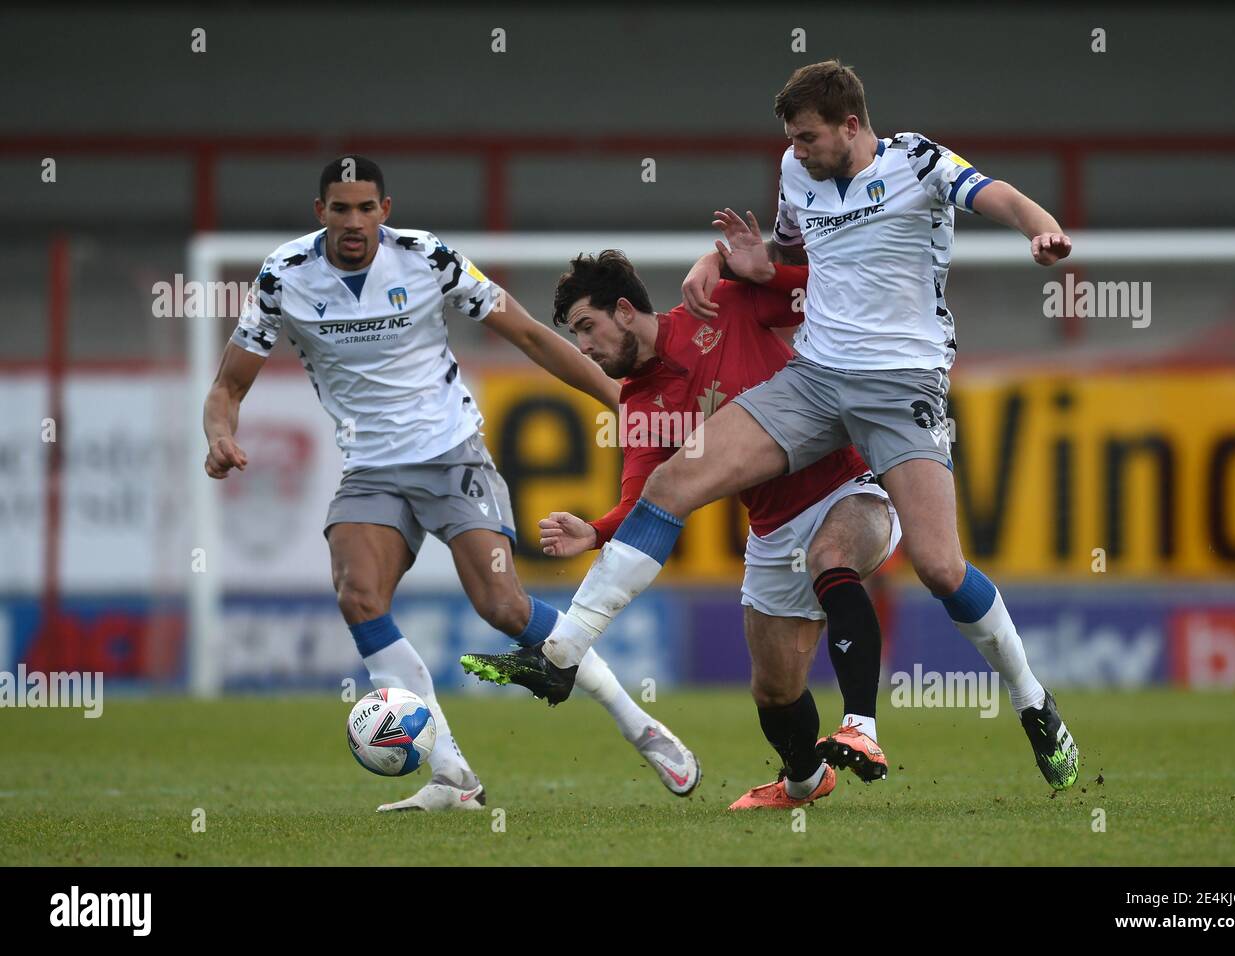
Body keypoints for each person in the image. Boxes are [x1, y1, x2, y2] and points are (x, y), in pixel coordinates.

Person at [457, 59, 1080, 793]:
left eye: (810, 136)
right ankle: (561, 656)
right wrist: (721, 259)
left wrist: (1039, 227)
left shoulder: (916, 159)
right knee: (674, 478)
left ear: (851, 125)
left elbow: (994, 193)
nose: (799, 150)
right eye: (793, 138)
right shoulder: (797, 169)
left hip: (902, 384)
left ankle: (1033, 702)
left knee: (942, 568)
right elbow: (781, 254)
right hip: (815, 379)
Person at [202, 156, 700, 812]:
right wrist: (219, 433)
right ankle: (453, 776)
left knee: (502, 606)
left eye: (365, 208)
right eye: (340, 209)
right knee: (358, 595)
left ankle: (642, 727)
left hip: (452, 456)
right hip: (371, 470)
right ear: (319, 211)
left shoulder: (427, 258)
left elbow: (527, 333)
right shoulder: (283, 276)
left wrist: (619, 399)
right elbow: (229, 384)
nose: (353, 222)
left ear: (386, 208)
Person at [465, 240, 899, 809]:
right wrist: (596, 531)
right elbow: (646, 504)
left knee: (834, 558)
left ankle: (862, 727)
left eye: (587, 327)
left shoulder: (720, 305)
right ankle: (804, 781)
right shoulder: (641, 406)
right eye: (575, 336)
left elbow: (821, 293)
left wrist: (743, 264)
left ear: (625, 310)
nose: (585, 347)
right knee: (773, 690)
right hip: (771, 530)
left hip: (845, 487)